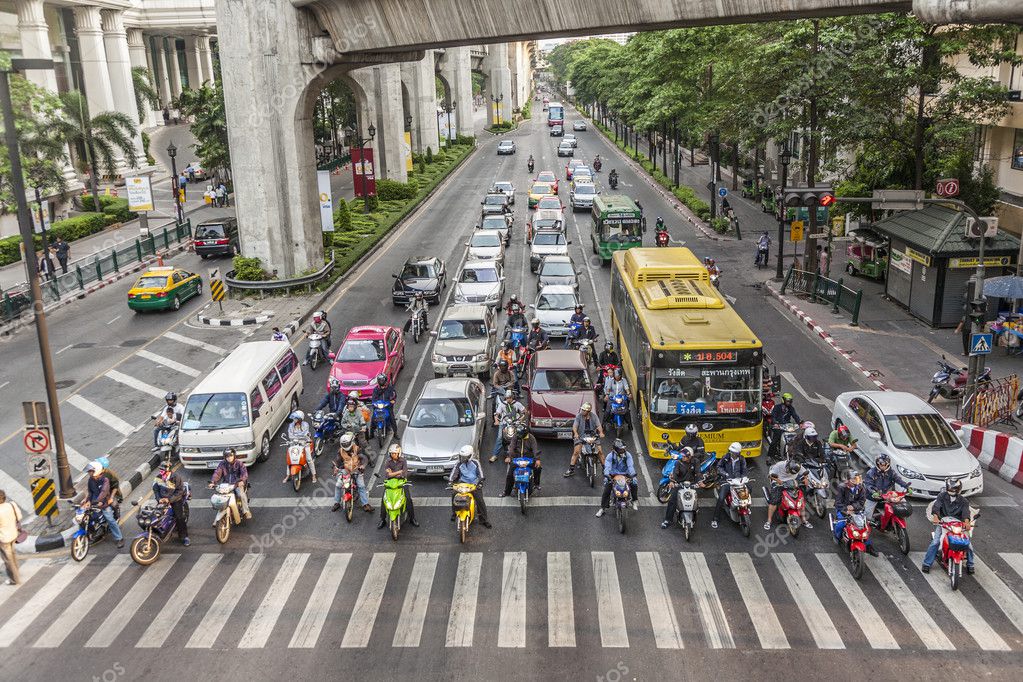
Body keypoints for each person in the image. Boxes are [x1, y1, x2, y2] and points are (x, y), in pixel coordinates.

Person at [921, 477, 975, 574]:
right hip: (943, 523)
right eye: (950, 488)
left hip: (958, 525)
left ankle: (970, 564)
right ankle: (926, 564)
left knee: (968, 545)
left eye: (954, 489)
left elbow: (966, 513)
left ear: (959, 489)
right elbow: (936, 506)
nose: (952, 490)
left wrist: (966, 522)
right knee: (936, 542)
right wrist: (936, 517)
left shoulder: (964, 501)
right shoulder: (942, 496)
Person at [832, 469, 878, 556]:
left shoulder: (861, 488)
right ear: (848, 480)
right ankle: (836, 536)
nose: (856, 482)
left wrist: (853, 507)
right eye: (854, 479)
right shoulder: (841, 487)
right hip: (843, 510)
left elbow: (862, 501)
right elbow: (838, 502)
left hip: (857, 510)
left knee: (865, 527)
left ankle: (868, 546)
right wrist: (846, 509)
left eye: (857, 479)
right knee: (841, 524)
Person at [660, 446, 705, 528]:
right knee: (672, 500)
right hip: (679, 483)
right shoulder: (678, 463)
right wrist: (672, 482)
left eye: (685, 456)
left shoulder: (696, 461)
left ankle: (693, 516)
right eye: (682, 456)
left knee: (694, 500)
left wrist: (700, 482)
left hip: (691, 484)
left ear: (690, 456)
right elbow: (675, 473)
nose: (683, 457)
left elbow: (698, 473)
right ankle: (668, 520)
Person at [449, 445, 491, 528]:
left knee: (480, 501)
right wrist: (450, 481)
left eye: (465, 457)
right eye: (462, 457)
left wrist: (480, 481)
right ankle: (454, 513)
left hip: (474, 484)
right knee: (454, 494)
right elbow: (454, 472)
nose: (463, 459)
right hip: (462, 483)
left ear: (470, 456)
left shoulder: (476, 462)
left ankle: (484, 520)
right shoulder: (458, 463)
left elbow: (480, 473)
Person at [765, 457, 813, 531]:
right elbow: (770, 475)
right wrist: (778, 480)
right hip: (779, 483)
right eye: (789, 471)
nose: (789, 473)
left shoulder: (798, 466)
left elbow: (805, 473)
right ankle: (769, 521)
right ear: (787, 466)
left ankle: (804, 520)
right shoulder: (779, 465)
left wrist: (806, 478)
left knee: (801, 500)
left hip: (792, 484)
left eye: (792, 473)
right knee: (774, 501)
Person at [378, 444, 418, 528]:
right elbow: (388, 475)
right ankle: (382, 519)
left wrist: (393, 473)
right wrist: (398, 472)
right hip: (390, 483)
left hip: (401, 482)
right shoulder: (387, 461)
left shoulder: (403, 461)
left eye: (395, 453)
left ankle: (412, 518)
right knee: (384, 500)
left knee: (408, 499)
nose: (393, 455)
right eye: (392, 453)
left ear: (399, 453)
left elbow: (404, 473)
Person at [710, 443, 749, 528]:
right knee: (721, 498)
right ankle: (715, 519)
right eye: (731, 452)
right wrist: (726, 474)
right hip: (727, 481)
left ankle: (746, 507)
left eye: (734, 452)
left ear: (738, 453)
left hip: (738, 481)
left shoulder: (742, 459)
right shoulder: (725, 457)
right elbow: (719, 467)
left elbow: (744, 470)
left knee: (749, 490)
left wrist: (744, 478)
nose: (732, 454)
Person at [595, 439, 638, 515]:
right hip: (613, 475)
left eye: (624, 448)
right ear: (615, 450)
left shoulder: (628, 455)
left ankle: (634, 500)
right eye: (621, 449)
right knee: (606, 490)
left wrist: (633, 475)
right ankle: (602, 508)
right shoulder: (610, 456)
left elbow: (630, 466)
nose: (623, 450)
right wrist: (607, 475)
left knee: (634, 483)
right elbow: (607, 466)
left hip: (625, 474)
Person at [332, 433, 373, 513]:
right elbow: (337, 461)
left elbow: (364, 458)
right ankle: (337, 502)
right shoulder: (340, 451)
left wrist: (363, 466)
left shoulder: (357, 449)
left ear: (351, 442)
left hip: (356, 469)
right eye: (344, 444)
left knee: (361, 486)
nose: (346, 445)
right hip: (345, 470)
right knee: (338, 485)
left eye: (347, 443)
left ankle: (365, 504)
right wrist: (335, 468)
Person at [209, 448, 252, 520]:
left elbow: (244, 473)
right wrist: (213, 482)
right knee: (220, 497)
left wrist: (241, 481)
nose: (229, 458)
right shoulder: (222, 463)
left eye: (231, 456)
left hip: (237, 484)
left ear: (234, 455)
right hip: (226, 485)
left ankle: (246, 511)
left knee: (241, 495)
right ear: (225, 457)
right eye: (227, 456)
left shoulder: (239, 463)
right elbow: (217, 473)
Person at [863, 454, 909, 521]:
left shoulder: (891, 472)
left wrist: (907, 486)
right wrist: (874, 492)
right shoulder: (871, 472)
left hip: (886, 495)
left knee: (902, 506)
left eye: (885, 464)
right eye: (881, 465)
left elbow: (898, 479)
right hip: (872, 496)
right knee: (867, 516)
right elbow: (869, 485)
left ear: (888, 464)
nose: (883, 466)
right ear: (878, 464)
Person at [152, 461, 189, 545]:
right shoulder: (158, 477)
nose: (161, 471)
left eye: (162, 469)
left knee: (179, 517)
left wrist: (169, 500)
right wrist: (159, 499)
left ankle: (184, 537)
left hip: (175, 500)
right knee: (156, 516)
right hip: (162, 501)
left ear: (168, 470)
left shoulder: (176, 477)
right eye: (160, 469)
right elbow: (156, 490)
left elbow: (180, 491)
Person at [502, 424, 542, 496]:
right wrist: (509, 456)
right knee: (510, 475)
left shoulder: (531, 438)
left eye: (520, 434)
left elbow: (535, 449)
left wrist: (537, 459)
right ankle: (506, 492)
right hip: (517, 458)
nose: (518, 436)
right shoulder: (515, 436)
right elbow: (511, 447)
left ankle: (536, 484)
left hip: (529, 458)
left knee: (538, 468)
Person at [564, 402, 604, 476]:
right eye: (582, 409)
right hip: (580, 436)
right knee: (576, 452)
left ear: (588, 411)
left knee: (600, 452)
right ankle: (571, 469)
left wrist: (601, 432)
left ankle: (604, 468)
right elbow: (575, 426)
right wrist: (576, 433)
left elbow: (598, 425)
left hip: (593, 436)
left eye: (584, 410)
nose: (582, 411)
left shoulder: (594, 416)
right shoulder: (578, 416)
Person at [492, 389, 526, 462]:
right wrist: (496, 420)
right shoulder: (502, 404)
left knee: (522, 435)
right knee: (499, 438)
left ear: (512, 397)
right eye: (507, 398)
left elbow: (524, 411)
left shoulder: (517, 404)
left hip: (515, 423)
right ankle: (494, 455)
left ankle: (523, 453)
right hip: (504, 423)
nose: (508, 399)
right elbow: (496, 414)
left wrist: (522, 417)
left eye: (510, 397)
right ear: (505, 398)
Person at [284, 410, 317, 484]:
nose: (294, 420)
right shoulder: (291, 425)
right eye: (294, 418)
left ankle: (313, 475)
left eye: (295, 418)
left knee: (309, 459)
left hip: (305, 444)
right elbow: (290, 435)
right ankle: (288, 475)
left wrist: (297, 437)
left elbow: (305, 434)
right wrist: (298, 438)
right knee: (290, 458)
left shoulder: (305, 425)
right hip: (294, 444)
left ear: (300, 419)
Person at [768, 392, 801, 459]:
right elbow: (773, 416)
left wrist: (800, 422)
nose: (789, 403)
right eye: (787, 401)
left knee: (794, 439)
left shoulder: (791, 408)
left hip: (786, 426)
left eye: (790, 401)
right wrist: (775, 423)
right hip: (778, 426)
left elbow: (795, 415)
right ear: (783, 400)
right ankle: (770, 456)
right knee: (775, 441)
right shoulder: (777, 407)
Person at [0, 489, 23, 585]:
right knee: (13, 554)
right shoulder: (11, 505)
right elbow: (19, 517)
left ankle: (14, 579)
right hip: (14, 533)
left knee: (8, 559)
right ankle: (16, 572)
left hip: (3, 538)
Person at [370, 374, 399, 439]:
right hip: (378, 407)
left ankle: (395, 433)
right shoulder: (376, 389)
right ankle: (371, 434)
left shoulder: (390, 388)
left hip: (387, 407)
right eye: (380, 380)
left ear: (385, 380)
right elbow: (373, 399)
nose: (381, 381)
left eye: (382, 380)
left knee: (392, 419)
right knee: (373, 419)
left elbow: (393, 396)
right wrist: (374, 404)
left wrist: (392, 401)